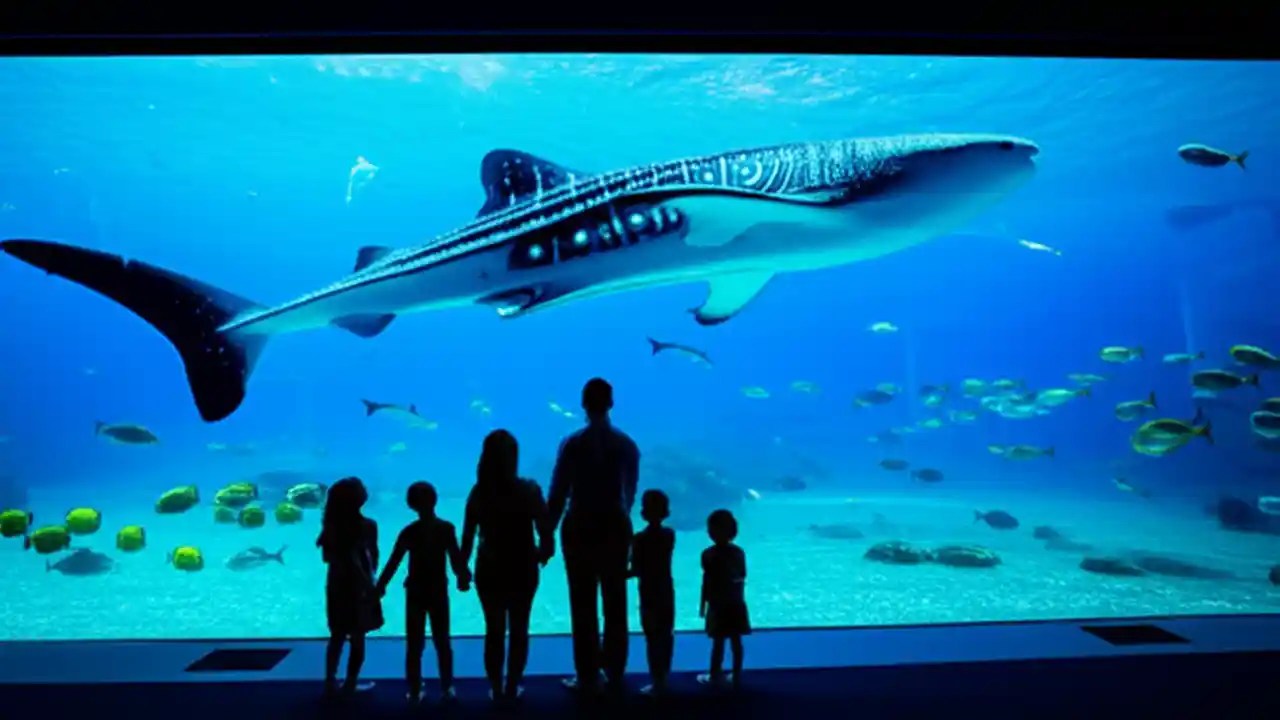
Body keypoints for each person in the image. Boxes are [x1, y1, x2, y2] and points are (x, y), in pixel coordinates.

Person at [548, 377, 641, 695]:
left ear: (583, 404)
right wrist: (623, 526)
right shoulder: (627, 444)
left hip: (580, 526)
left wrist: (546, 533)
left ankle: (587, 674)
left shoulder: (572, 443)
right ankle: (615, 671)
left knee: (582, 603)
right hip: (615, 526)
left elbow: (558, 492)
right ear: (611, 403)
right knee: (616, 601)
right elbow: (629, 494)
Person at [461, 429, 554, 703]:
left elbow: (467, 537)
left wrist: (462, 570)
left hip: (489, 569)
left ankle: (496, 688)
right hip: (523, 568)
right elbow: (545, 531)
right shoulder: (529, 489)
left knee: (494, 630)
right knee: (519, 628)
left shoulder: (479, 492)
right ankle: (512, 686)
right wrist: (542, 554)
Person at [374, 481, 471, 705]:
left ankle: (415, 689)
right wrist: (463, 576)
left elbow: (394, 562)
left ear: (411, 504)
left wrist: (381, 585)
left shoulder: (409, 531)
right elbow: (455, 557)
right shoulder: (446, 529)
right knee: (442, 641)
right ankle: (447, 687)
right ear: (435, 500)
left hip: (416, 592)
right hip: (438, 590)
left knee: (414, 643)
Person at [315, 476, 382, 698]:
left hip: (336, 585)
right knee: (358, 637)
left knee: (337, 636)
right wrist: (370, 584)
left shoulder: (330, 528)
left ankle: (329, 681)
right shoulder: (368, 526)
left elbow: (328, 558)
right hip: (359, 589)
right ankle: (350, 683)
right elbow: (372, 558)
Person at [628, 489, 676, 696]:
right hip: (666, 590)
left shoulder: (639, 539)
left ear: (644, 513)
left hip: (648, 593)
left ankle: (656, 681)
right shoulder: (669, 534)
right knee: (666, 634)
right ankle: (664, 677)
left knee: (652, 636)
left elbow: (636, 568)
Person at [699, 508, 749, 690]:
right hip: (736, 603)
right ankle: (736, 674)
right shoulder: (739, 553)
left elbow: (707, 580)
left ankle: (714, 674)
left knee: (718, 641)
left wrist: (703, 604)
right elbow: (743, 575)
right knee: (736, 640)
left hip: (718, 605)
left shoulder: (707, 554)